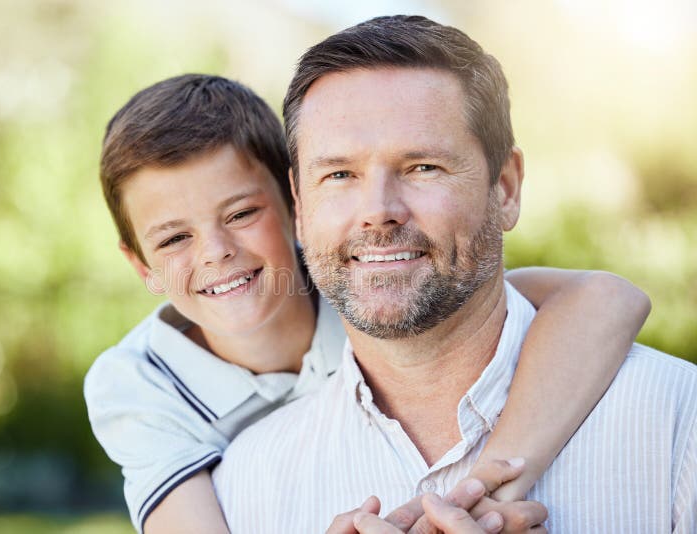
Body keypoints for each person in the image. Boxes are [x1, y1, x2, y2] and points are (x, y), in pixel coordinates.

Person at [85, 74, 651, 534]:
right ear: (141, 266)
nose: (216, 252)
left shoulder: (368, 287)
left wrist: (484, 496)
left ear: (298, 207)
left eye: (241, 214)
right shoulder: (136, 385)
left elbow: (611, 298)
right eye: (173, 239)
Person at [211, 15, 697, 533]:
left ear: (505, 188)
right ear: (300, 206)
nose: (378, 211)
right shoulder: (246, 482)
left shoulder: (679, 424)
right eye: (339, 174)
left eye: (423, 167)